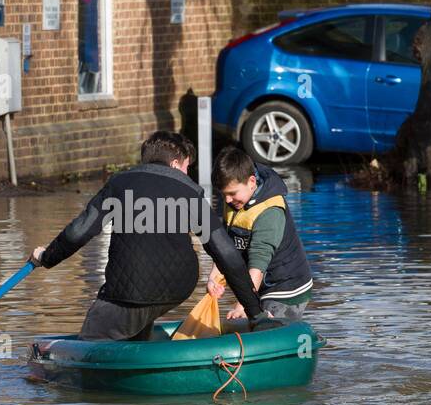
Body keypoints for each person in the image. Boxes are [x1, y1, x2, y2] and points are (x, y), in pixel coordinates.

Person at [31, 131, 272, 341]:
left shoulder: (119, 184)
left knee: (92, 343)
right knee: (139, 315)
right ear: (176, 164)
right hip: (179, 286)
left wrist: (48, 256)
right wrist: (256, 313)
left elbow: (78, 232)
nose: (187, 174)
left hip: (125, 293)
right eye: (187, 167)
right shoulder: (189, 192)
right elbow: (226, 252)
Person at [206, 145, 313, 324]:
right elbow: (225, 247)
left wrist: (243, 304)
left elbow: (258, 263)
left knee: (265, 327)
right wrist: (213, 279)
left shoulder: (269, 212)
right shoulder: (234, 200)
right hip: (258, 284)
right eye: (223, 194)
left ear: (252, 182)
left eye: (232, 194)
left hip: (285, 288)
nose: (227, 200)